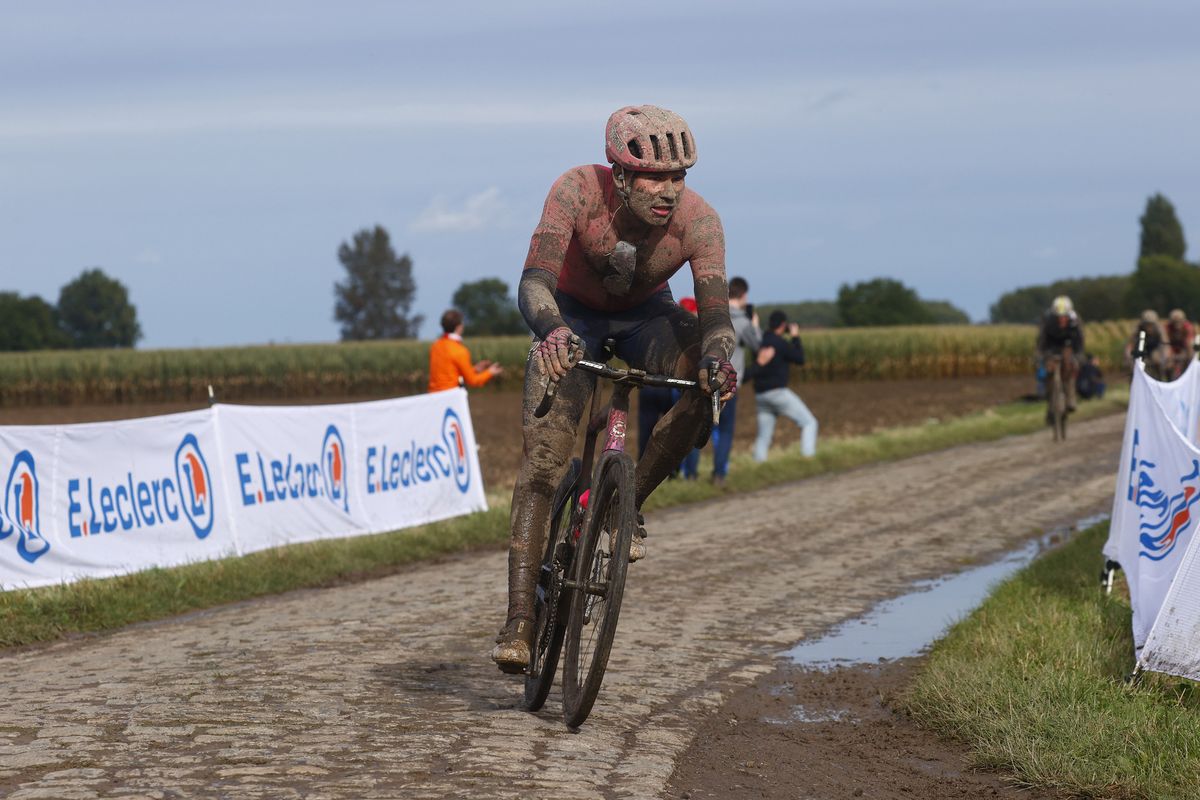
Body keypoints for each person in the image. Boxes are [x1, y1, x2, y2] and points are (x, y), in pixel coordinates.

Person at [492, 105, 736, 673]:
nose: (669, 192)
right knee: (545, 466)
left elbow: (717, 319)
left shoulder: (701, 222)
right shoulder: (576, 190)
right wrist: (551, 330)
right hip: (571, 315)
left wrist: (719, 359)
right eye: (654, 177)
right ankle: (520, 618)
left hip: (647, 317)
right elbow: (534, 282)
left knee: (704, 379)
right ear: (620, 176)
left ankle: (625, 507)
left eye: (679, 178)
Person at [707, 277, 763, 486]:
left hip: (709, 378)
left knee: (701, 428)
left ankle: (689, 473)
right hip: (730, 383)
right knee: (726, 429)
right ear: (744, 296)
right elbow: (758, 346)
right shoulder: (743, 322)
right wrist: (755, 325)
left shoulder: (715, 317)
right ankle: (719, 473)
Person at [752, 310, 817, 461]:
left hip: (761, 395)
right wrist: (795, 336)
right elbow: (800, 358)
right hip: (778, 393)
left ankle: (758, 464)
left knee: (763, 436)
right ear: (783, 325)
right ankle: (808, 458)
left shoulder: (759, 340)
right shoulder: (780, 343)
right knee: (809, 423)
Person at [427, 309, 504, 393]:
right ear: (458, 327)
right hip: (451, 397)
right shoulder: (460, 350)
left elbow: (448, 373)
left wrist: (473, 369)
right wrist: (490, 372)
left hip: (434, 397)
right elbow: (473, 381)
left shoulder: (435, 346)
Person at [1036, 295, 1084, 412]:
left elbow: (1079, 341)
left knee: (1070, 366)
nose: (1062, 320)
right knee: (1048, 368)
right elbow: (1041, 341)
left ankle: (1070, 398)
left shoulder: (1075, 322)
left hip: (1067, 347)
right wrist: (1040, 355)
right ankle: (1050, 396)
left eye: (1064, 317)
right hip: (1051, 348)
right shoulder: (1048, 322)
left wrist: (1078, 355)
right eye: (1059, 317)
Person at [1125, 309, 1166, 378]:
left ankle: (1159, 377)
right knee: (1135, 364)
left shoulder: (1159, 330)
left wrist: (1164, 357)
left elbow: (1165, 344)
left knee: (1156, 359)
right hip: (1142, 349)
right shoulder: (1137, 329)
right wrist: (1128, 356)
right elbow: (1130, 345)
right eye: (1147, 324)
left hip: (1155, 349)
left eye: (1151, 324)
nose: (1149, 327)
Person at [1165, 308, 1195, 379]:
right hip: (1172, 347)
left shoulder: (1188, 327)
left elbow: (1189, 343)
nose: (1177, 324)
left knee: (1189, 359)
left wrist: (1188, 357)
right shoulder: (1167, 327)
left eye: (1179, 321)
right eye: (1175, 322)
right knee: (1168, 363)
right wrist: (1169, 356)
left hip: (1184, 348)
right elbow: (1166, 342)